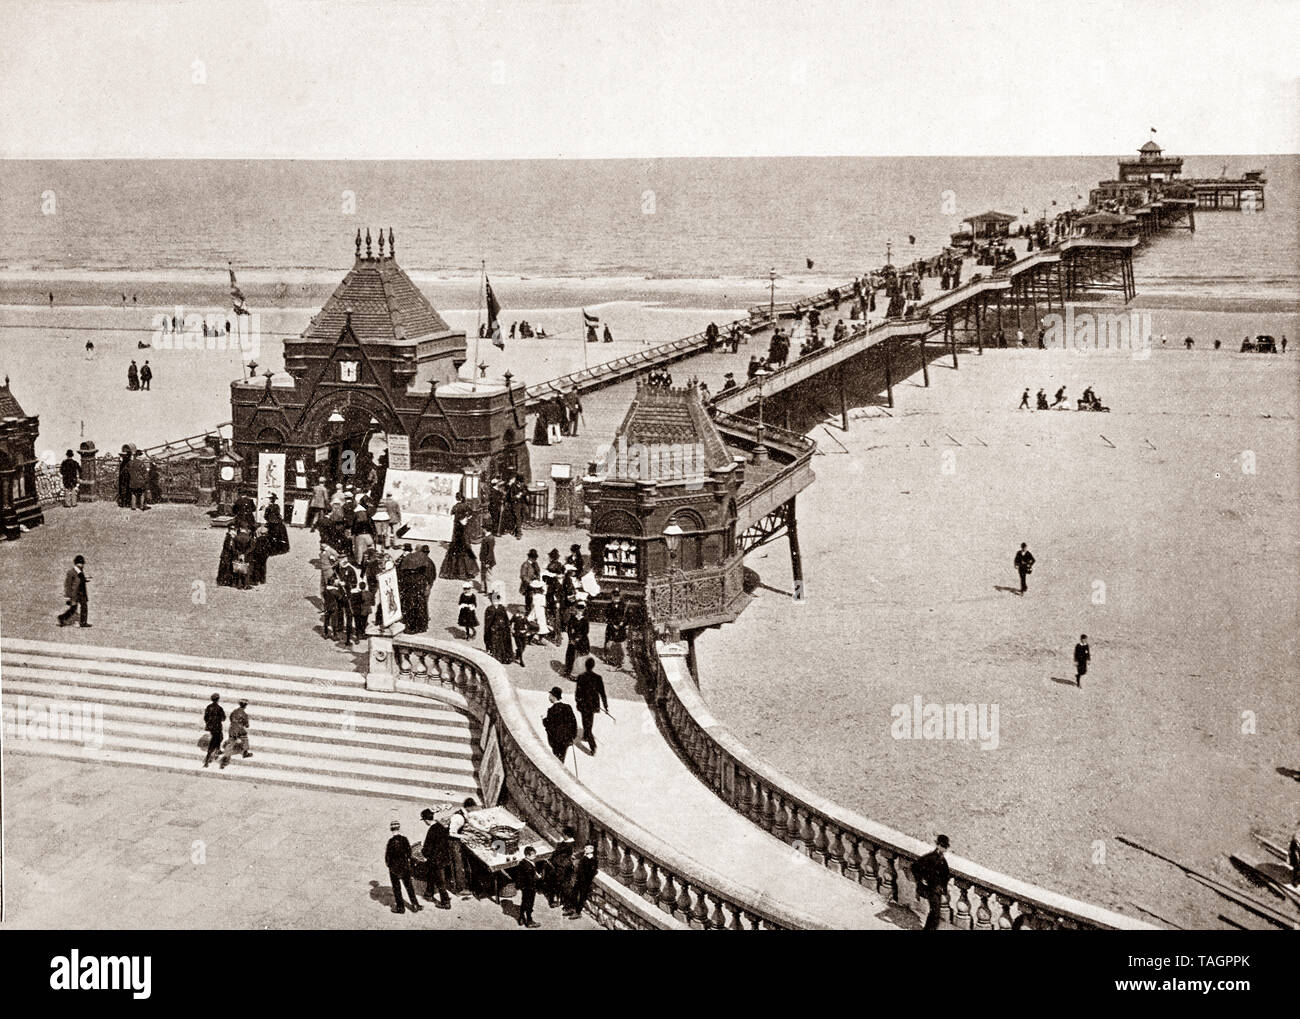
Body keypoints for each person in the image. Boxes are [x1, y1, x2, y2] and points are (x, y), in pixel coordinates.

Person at [910, 834, 951, 930]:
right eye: (942, 846)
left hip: (937, 890)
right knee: (935, 913)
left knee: (935, 913)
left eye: (945, 847)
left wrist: (944, 890)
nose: (944, 849)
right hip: (930, 889)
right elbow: (914, 867)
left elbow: (945, 876)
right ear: (938, 845)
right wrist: (921, 879)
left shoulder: (943, 860)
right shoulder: (930, 857)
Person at [384, 821, 423, 915]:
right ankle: (415, 904)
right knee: (409, 886)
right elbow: (409, 853)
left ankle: (400, 908)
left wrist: (390, 866)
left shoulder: (390, 842)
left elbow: (387, 857)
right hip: (404, 867)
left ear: (391, 830)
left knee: (397, 888)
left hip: (394, 868)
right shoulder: (404, 839)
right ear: (399, 828)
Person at [420, 808, 454, 909]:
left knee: (440, 881)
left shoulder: (432, 830)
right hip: (444, 857)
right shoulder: (441, 826)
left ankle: (445, 902)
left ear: (426, 819)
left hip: (436, 859)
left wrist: (424, 853)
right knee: (431, 874)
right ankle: (429, 893)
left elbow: (427, 847)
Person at [573, 657, 608, 753]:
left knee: (586, 723)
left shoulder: (581, 677)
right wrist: (606, 706)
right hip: (593, 705)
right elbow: (602, 693)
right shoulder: (598, 678)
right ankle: (586, 735)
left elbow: (577, 692)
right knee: (589, 722)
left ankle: (593, 746)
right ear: (593, 666)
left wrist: (577, 701)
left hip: (584, 705)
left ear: (586, 666)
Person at [439, 495, 479, 580]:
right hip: (463, 529)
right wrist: (466, 519)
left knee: (455, 550)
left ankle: (455, 572)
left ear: (457, 498)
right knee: (466, 549)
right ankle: (468, 571)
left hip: (457, 529)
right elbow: (471, 514)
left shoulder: (455, 507)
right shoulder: (466, 506)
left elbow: (451, 514)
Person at [542, 687, 577, 762]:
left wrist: (544, 720)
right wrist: (572, 736)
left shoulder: (552, 710)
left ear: (553, 696)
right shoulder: (567, 707)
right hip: (566, 739)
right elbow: (574, 722)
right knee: (562, 758)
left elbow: (549, 726)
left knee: (556, 760)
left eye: (550, 695)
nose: (549, 697)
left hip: (556, 741)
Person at [565, 843, 598, 917]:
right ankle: (572, 908)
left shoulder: (592, 859)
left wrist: (585, 878)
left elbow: (592, 871)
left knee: (582, 896)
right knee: (574, 893)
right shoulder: (585, 857)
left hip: (585, 881)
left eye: (587, 848)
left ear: (592, 850)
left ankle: (577, 912)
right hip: (579, 879)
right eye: (585, 848)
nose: (585, 849)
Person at [57, 554, 90, 627]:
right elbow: (68, 585)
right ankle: (61, 618)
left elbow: (80, 580)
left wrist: (85, 579)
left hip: (82, 593)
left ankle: (83, 622)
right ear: (77, 563)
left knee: (84, 607)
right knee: (73, 609)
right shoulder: (71, 572)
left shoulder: (80, 571)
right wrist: (68, 595)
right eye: (80, 564)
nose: (81, 565)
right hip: (74, 594)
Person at [220, 698, 253, 767]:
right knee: (245, 739)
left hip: (232, 729)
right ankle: (245, 752)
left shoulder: (234, 711)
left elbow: (231, 718)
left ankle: (225, 756)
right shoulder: (244, 714)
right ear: (245, 706)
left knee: (231, 742)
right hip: (239, 730)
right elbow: (247, 725)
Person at [484, 591, 514, 665]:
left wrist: (508, 626)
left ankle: (505, 658)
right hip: (494, 630)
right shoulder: (489, 609)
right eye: (494, 601)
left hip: (503, 629)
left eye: (497, 600)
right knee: (495, 644)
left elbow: (506, 618)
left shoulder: (502, 608)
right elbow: (487, 621)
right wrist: (488, 629)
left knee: (504, 643)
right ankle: (497, 658)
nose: (495, 602)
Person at [514, 846, 541, 927]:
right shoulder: (529, 866)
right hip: (530, 887)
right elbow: (531, 879)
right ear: (527, 855)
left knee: (524, 902)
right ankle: (529, 921)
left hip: (524, 887)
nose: (535, 856)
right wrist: (538, 877)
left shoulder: (523, 862)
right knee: (530, 903)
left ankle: (521, 918)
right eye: (533, 855)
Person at [563, 601, 590, 677]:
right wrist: (571, 638)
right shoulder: (572, 619)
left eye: (581, 609)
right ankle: (569, 671)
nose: (579, 611)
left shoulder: (585, 620)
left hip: (582, 640)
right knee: (570, 655)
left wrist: (579, 638)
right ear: (576, 609)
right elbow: (569, 629)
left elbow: (586, 631)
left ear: (584, 610)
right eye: (578, 609)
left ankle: (579, 673)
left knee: (580, 656)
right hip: (572, 639)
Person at [603, 589, 628, 668]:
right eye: (614, 596)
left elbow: (627, 617)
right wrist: (612, 625)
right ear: (612, 597)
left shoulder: (623, 606)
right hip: (611, 627)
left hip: (621, 627)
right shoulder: (609, 606)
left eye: (617, 596)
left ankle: (620, 658)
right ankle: (608, 657)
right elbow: (607, 617)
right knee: (609, 642)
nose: (616, 598)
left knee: (620, 642)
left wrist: (622, 623)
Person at [202, 693, 225, 767]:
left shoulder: (208, 707)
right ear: (218, 699)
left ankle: (217, 751)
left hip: (211, 728)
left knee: (218, 738)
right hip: (217, 727)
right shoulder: (219, 708)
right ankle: (207, 761)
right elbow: (223, 718)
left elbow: (205, 717)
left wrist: (209, 723)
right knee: (215, 742)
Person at [478, 527, 496, 593]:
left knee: (488, 575)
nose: (482, 530)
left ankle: (489, 590)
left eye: (483, 528)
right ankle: (483, 588)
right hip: (483, 559)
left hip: (488, 560)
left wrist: (488, 561)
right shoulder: (486, 537)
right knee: (483, 574)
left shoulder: (490, 538)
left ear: (486, 529)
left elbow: (490, 551)